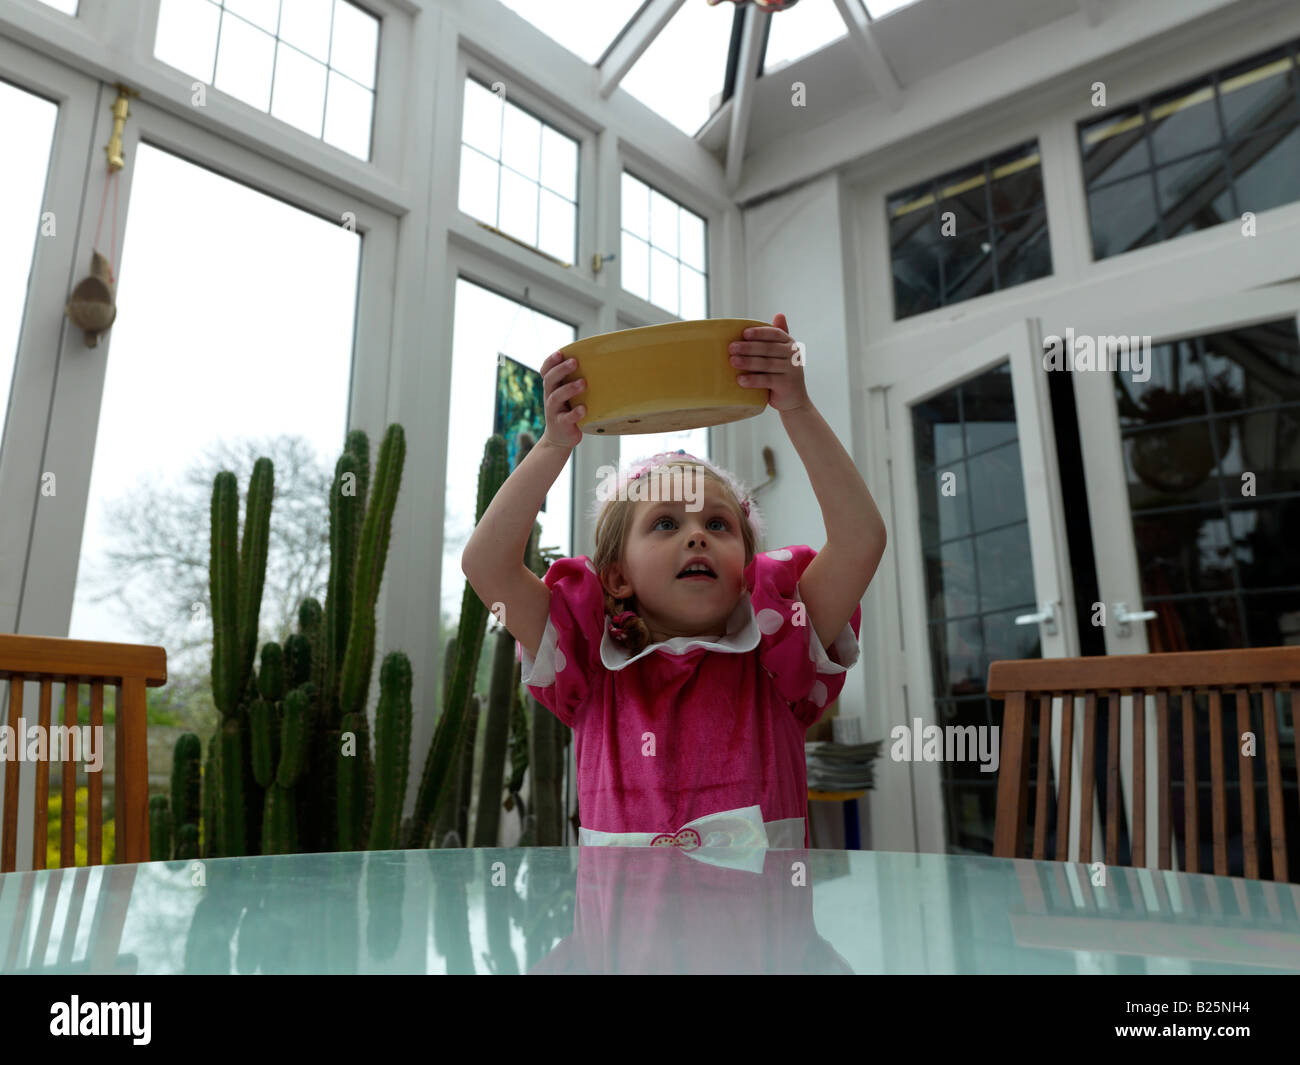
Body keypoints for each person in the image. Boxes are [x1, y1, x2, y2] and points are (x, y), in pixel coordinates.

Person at [461, 313, 887, 849]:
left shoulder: (784, 644)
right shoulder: (589, 661)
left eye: (717, 524)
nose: (696, 537)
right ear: (615, 576)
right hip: (620, 938)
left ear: (746, 572)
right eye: (666, 522)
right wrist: (553, 445)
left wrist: (796, 408)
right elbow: (486, 566)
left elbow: (860, 539)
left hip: (766, 936)